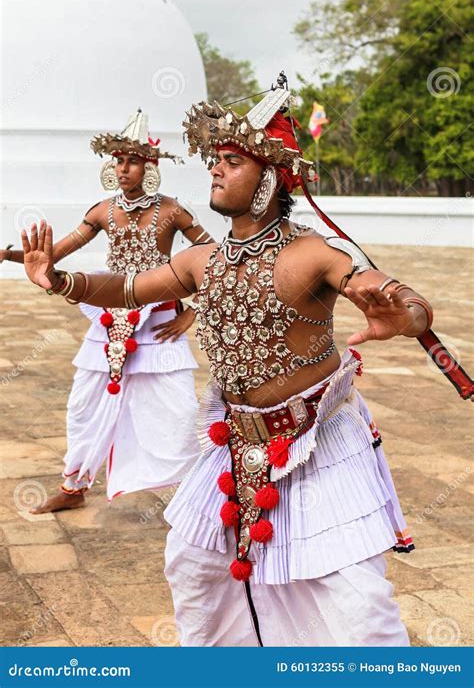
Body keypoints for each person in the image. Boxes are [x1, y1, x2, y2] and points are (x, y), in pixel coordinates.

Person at [21, 86, 432, 646]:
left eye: (232, 161)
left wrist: (406, 315)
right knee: (196, 571)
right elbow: (126, 288)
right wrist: (59, 278)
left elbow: (389, 291)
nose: (215, 169)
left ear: (269, 181)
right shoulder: (201, 260)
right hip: (234, 444)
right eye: (214, 160)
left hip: (320, 441)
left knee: (355, 606)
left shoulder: (313, 252)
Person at [8, 109, 212, 513]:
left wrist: (192, 313)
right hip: (107, 320)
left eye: (132, 160)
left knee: (179, 411)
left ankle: (195, 492)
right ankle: (73, 487)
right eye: (118, 160)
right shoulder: (102, 210)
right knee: (83, 404)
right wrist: (9, 255)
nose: (122, 168)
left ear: (150, 166)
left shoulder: (172, 211)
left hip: (157, 324)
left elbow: (215, 259)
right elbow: (53, 255)